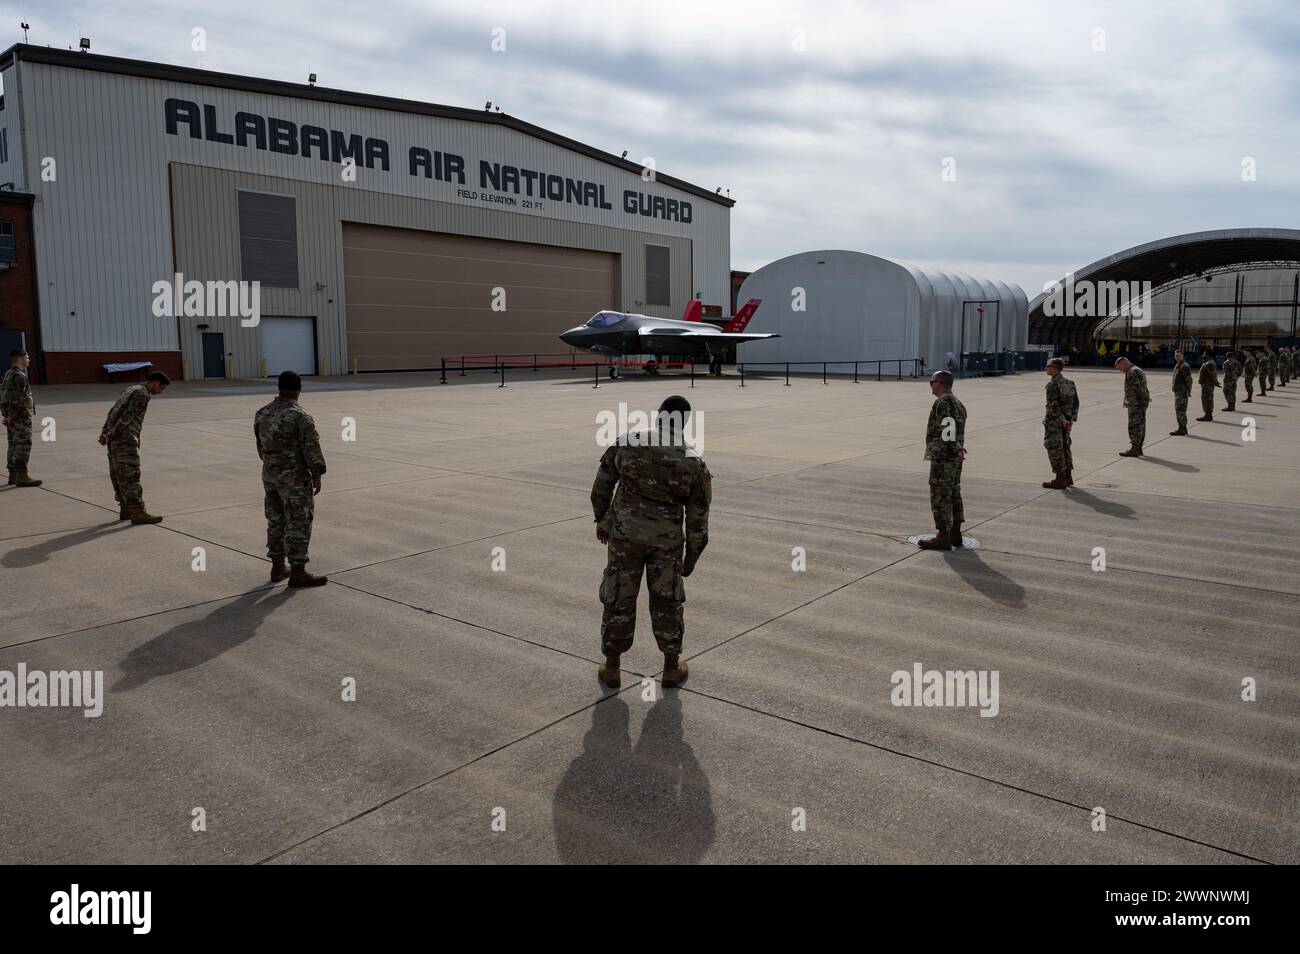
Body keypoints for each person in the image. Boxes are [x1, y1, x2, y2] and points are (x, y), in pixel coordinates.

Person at [590, 395, 711, 689]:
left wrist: (603, 520)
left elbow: (602, 484)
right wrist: (690, 559)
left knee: (619, 597)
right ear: (685, 422)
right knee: (667, 601)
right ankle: (671, 668)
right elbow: (698, 519)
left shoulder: (627, 441)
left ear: (658, 415)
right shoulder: (692, 460)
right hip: (666, 545)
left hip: (625, 538)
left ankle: (612, 668)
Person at [254, 370, 327, 587]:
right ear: (299, 389)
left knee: (275, 520)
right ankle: (297, 571)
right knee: (298, 522)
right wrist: (317, 475)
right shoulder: (300, 416)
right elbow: (311, 450)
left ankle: (277, 568)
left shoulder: (262, 413)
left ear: (278, 387)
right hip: (294, 480)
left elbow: (261, 447)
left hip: (270, 476)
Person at [99, 370, 169, 523]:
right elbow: (127, 418)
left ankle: (126, 509)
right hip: (125, 440)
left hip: (114, 439)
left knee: (118, 474)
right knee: (131, 474)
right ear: (156, 383)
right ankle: (137, 511)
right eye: (161, 388)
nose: (161, 392)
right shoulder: (142, 394)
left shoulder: (131, 389)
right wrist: (109, 435)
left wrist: (105, 433)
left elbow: (112, 412)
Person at [918, 370, 966, 550]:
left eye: (931, 382)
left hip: (944, 457)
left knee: (940, 495)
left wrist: (953, 449)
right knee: (954, 492)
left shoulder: (942, 402)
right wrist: (958, 449)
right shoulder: (958, 402)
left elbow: (948, 428)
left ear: (940, 383)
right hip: (955, 456)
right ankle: (955, 533)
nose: (930, 385)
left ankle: (943, 536)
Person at [1, 349, 41, 487]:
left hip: (12, 417)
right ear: (20, 358)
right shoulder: (20, 376)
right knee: (23, 445)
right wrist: (12, 416)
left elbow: (4, 396)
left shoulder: (8, 374)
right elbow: (20, 399)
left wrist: (6, 415)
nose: (28, 360)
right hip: (20, 417)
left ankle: (13, 475)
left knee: (13, 445)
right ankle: (22, 476)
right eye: (27, 357)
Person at [1041, 357, 1079, 489]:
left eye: (1048, 365)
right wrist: (1071, 420)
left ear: (1054, 368)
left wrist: (1061, 419)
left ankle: (1060, 478)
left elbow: (1054, 405)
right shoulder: (1070, 383)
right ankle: (1068, 476)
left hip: (1054, 421)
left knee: (1054, 447)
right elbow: (1076, 403)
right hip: (1066, 422)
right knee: (1065, 447)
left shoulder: (1053, 385)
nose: (1046, 368)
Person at [1115, 356, 1150, 457]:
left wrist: (1141, 402)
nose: (1120, 371)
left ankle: (1135, 449)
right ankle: (1138, 448)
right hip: (1139, 403)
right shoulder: (1136, 369)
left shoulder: (1132, 371)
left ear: (1124, 363)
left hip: (1136, 404)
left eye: (1120, 368)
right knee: (1140, 425)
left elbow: (1138, 388)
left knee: (1134, 426)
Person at [1170, 349, 1192, 435]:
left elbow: (1189, 380)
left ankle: (1181, 429)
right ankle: (1183, 428)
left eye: (1179, 356)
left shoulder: (1184, 366)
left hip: (1182, 392)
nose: (1177, 357)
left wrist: (1188, 391)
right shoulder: (1178, 365)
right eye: (1176, 356)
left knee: (1180, 410)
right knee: (1179, 410)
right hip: (1178, 392)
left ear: (1183, 356)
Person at [1196, 350, 1219, 422]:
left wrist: (1215, 382)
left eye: (1204, 354)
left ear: (1208, 355)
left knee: (1207, 399)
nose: (1203, 355)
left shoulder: (1209, 363)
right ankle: (1209, 415)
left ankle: (1207, 415)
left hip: (1207, 384)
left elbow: (1212, 374)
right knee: (1207, 399)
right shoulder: (1208, 363)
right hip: (1206, 384)